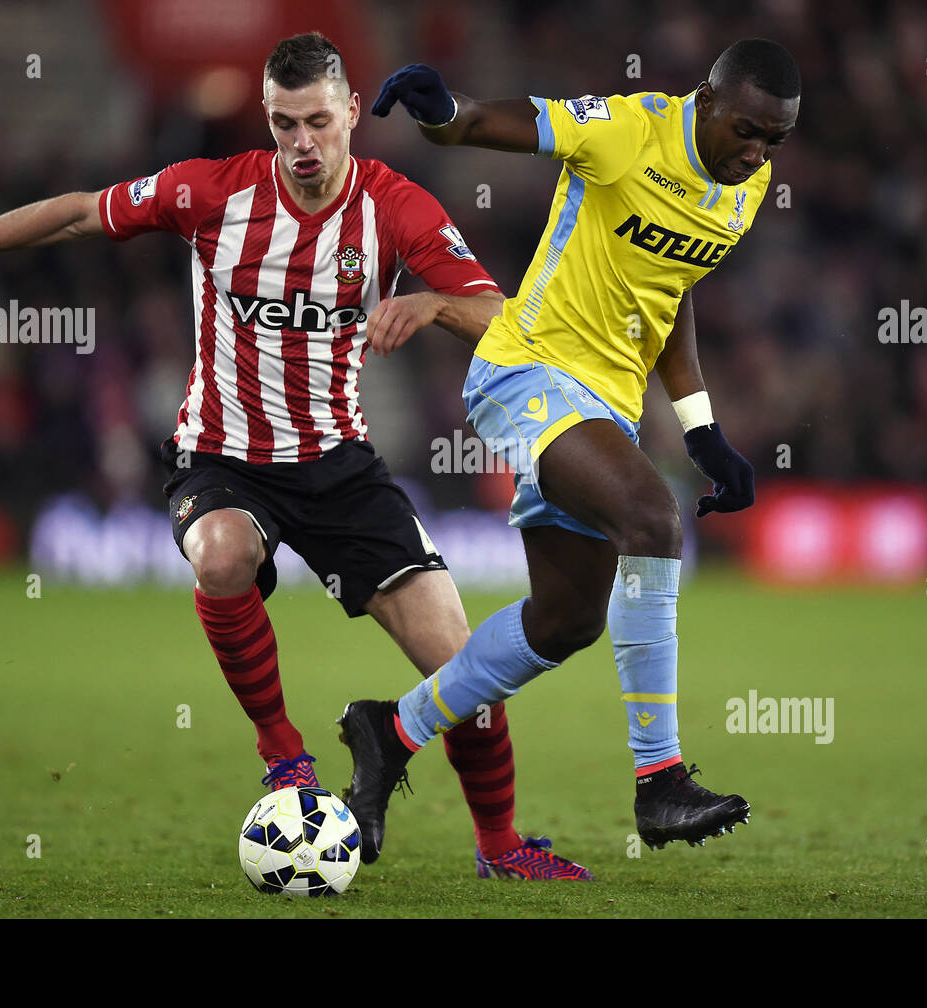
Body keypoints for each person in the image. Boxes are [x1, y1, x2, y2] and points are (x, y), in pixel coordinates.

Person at [0, 31, 591, 881]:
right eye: (284, 124)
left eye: (319, 120)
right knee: (221, 554)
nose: (303, 144)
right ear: (267, 119)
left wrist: (430, 304)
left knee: (467, 673)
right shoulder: (210, 192)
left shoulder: (398, 208)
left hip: (340, 467)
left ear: (353, 112)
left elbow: (500, 319)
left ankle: (502, 849)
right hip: (222, 457)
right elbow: (77, 212)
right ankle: (285, 756)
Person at [338, 39, 800, 858]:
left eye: (775, 140)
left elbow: (670, 287)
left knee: (565, 621)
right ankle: (660, 782)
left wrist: (702, 429)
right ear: (707, 99)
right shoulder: (629, 129)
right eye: (747, 130)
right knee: (653, 521)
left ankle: (390, 731)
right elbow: (490, 123)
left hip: (603, 410)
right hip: (532, 369)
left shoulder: (745, 184)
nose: (757, 153)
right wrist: (444, 113)